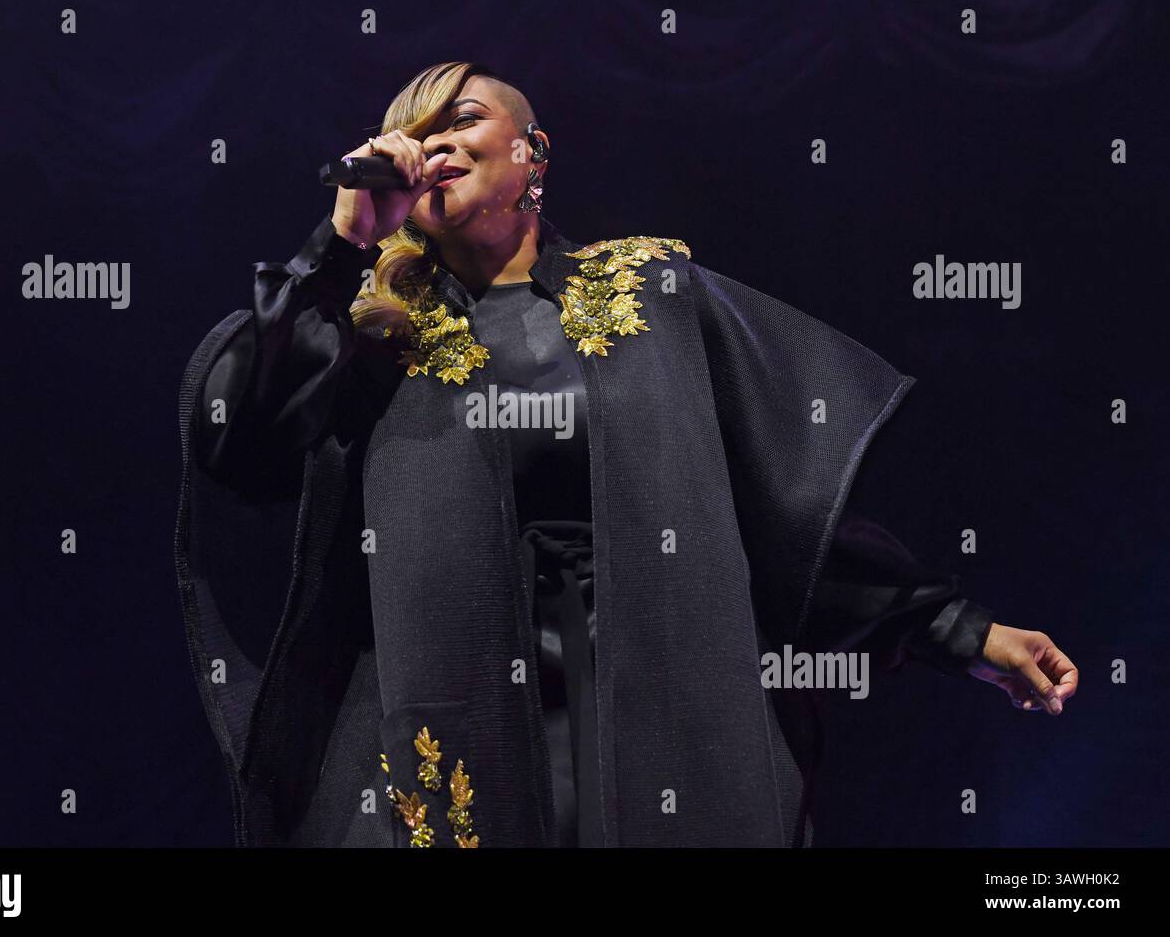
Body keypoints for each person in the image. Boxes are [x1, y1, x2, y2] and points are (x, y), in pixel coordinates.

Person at [174, 61, 1079, 848]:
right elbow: (236, 438)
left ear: (533, 149)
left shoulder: (652, 289)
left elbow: (774, 509)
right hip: (455, 705)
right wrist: (341, 248)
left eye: (460, 118)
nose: (430, 143)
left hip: (657, 691)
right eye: (410, 132)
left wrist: (958, 632)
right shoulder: (371, 330)